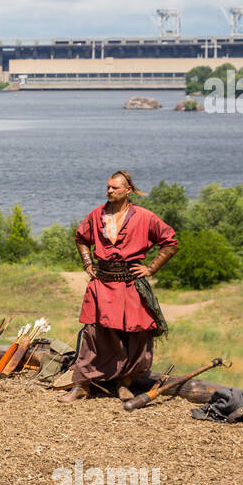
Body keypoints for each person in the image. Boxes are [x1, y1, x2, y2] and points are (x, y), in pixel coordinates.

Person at [61, 170, 178, 403]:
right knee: (94, 333)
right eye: (108, 187)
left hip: (131, 284)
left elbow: (170, 242)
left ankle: (125, 383)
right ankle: (82, 384)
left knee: (135, 335)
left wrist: (151, 268)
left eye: (114, 188)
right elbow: (81, 238)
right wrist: (87, 263)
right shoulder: (96, 216)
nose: (109, 191)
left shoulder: (145, 217)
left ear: (128, 190)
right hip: (102, 283)